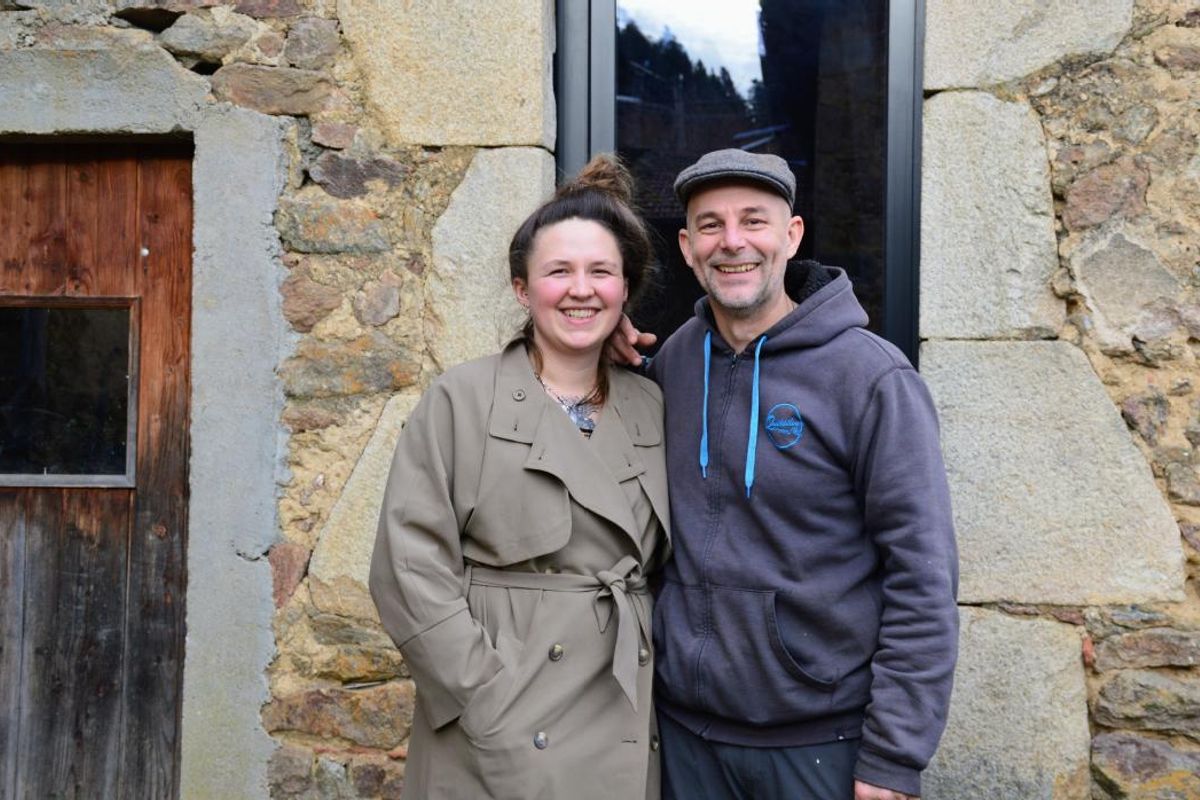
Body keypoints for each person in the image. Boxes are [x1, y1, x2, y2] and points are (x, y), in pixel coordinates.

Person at [612, 149, 958, 800]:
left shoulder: (870, 377)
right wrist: (601, 335)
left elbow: (922, 576)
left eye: (754, 221)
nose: (732, 241)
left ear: (792, 236)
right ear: (687, 248)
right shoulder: (675, 364)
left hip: (820, 744)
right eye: (710, 225)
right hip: (683, 737)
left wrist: (894, 753)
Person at [368, 154, 670, 799]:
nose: (581, 289)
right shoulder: (462, 399)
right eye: (559, 271)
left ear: (625, 291)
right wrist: (484, 698)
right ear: (522, 289)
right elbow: (408, 567)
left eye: (601, 272)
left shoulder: (653, 403)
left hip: (621, 709)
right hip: (500, 726)